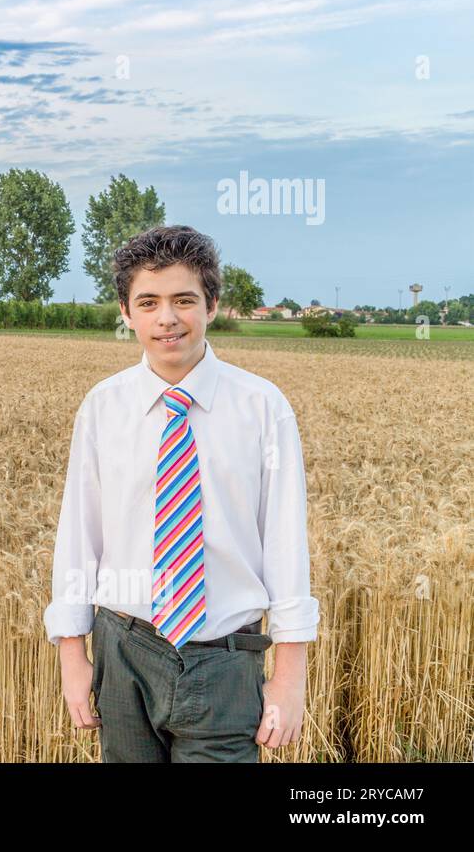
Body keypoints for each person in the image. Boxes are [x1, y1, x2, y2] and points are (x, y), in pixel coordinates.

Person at [45, 224, 318, 762]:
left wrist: (290, 677)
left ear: (212, 304)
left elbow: (286, 545)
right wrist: (72, 658)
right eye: (148, 302)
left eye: (183, 300)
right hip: (123, 649)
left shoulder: (263, 408)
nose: (167, 318)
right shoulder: (103, 407)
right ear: (126, 312)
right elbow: (79, 534)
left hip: (225, 659)